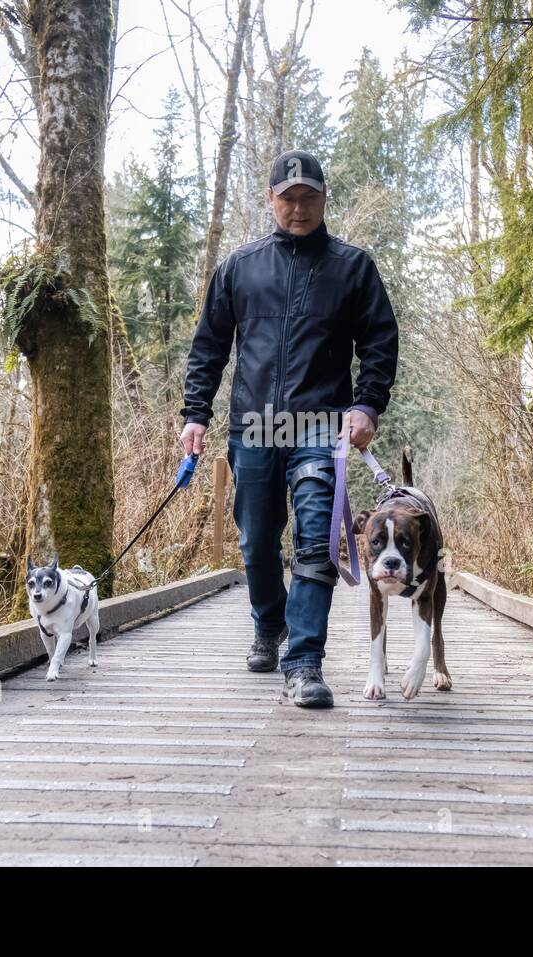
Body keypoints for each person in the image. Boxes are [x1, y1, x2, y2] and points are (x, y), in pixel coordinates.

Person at [178, 148, 399, 708]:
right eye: (287, 198)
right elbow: (209, 345)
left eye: (308, 197)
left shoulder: (353, 268)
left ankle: (303, 661)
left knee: (317, 541)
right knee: (255, 541)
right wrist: (195, 413)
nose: (298, 209)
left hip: (322, 426)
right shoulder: (239, 267)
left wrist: (367, 407)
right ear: (270, 201)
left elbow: (379, 343)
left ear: (324, 199)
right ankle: (268, 623)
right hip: (253, 425)